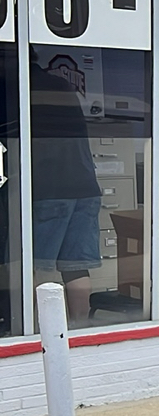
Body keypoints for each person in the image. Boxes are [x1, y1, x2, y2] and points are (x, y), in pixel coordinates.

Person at [30, 60, 101, 324]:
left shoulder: (20, 86)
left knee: (40, 265)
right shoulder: (61, 84)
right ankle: (80, 328)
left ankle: (42, 330)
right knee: (75, 267)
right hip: (84, 185)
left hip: (49, 187)